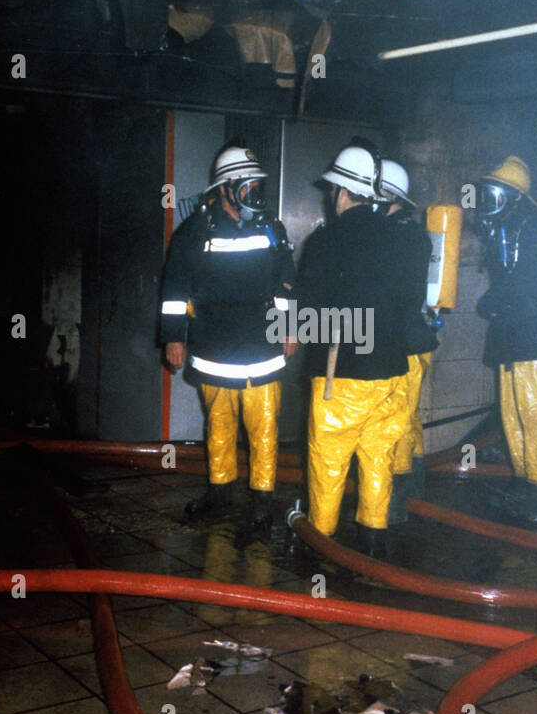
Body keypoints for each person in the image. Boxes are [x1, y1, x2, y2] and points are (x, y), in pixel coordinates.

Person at [159, 143, 296, 538]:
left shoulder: (272, 228)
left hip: (261, 348)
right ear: (224, 187)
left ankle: (261, 504)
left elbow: (286, 283)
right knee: (218, 423)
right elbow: (174, 290)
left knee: (263, 427)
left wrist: (291, 328)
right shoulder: (194, 232)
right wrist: (174, 338)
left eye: (257, 183)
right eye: (247, 183)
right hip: (213, 347)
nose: (254, 189)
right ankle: (219, 493)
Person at [293, 142, 414, 557]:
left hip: (340, 374)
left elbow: (306, 318)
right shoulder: (400, 238)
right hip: (393, 371)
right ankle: (372, 543)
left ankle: (321, 546)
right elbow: (407, 302)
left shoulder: (325, 241)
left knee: (329, 462)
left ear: (341, 193)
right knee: (377, 459)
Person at [473, 155, 537, 526]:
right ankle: (522, 486)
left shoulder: (534, 231)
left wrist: (495, 304)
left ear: (514, 197)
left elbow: (531, 289)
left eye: (495, 194)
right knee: (512, 417)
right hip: (514, 340)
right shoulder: (506, 231)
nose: (487, 202)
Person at [377, 159, 438, 526]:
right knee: (409, 413)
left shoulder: (387, 236)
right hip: (416, 340)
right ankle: (416, 482)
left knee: (395, 418)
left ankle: (395, 501)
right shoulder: (414, 234)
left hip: (399, 343)